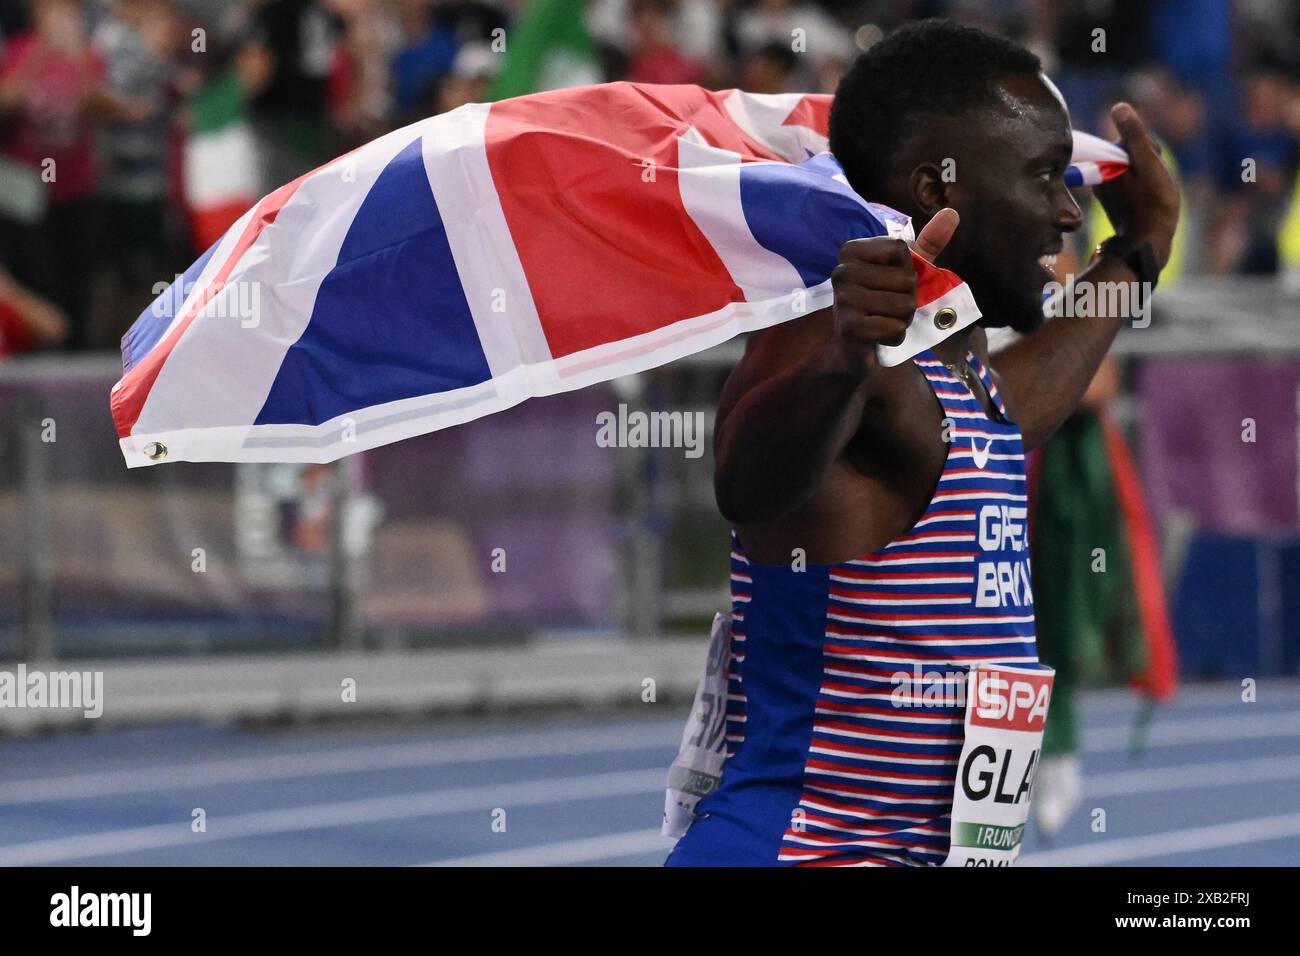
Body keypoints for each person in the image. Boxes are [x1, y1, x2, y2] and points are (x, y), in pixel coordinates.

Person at [664, 18, 1179, 867]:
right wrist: (839, 361)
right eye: (1045, 176)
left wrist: (1134, 257)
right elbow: (746, 482)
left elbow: (1008, 418)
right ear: (938, 192)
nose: (1064, 210)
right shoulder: (831, 330)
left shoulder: (951, 366)